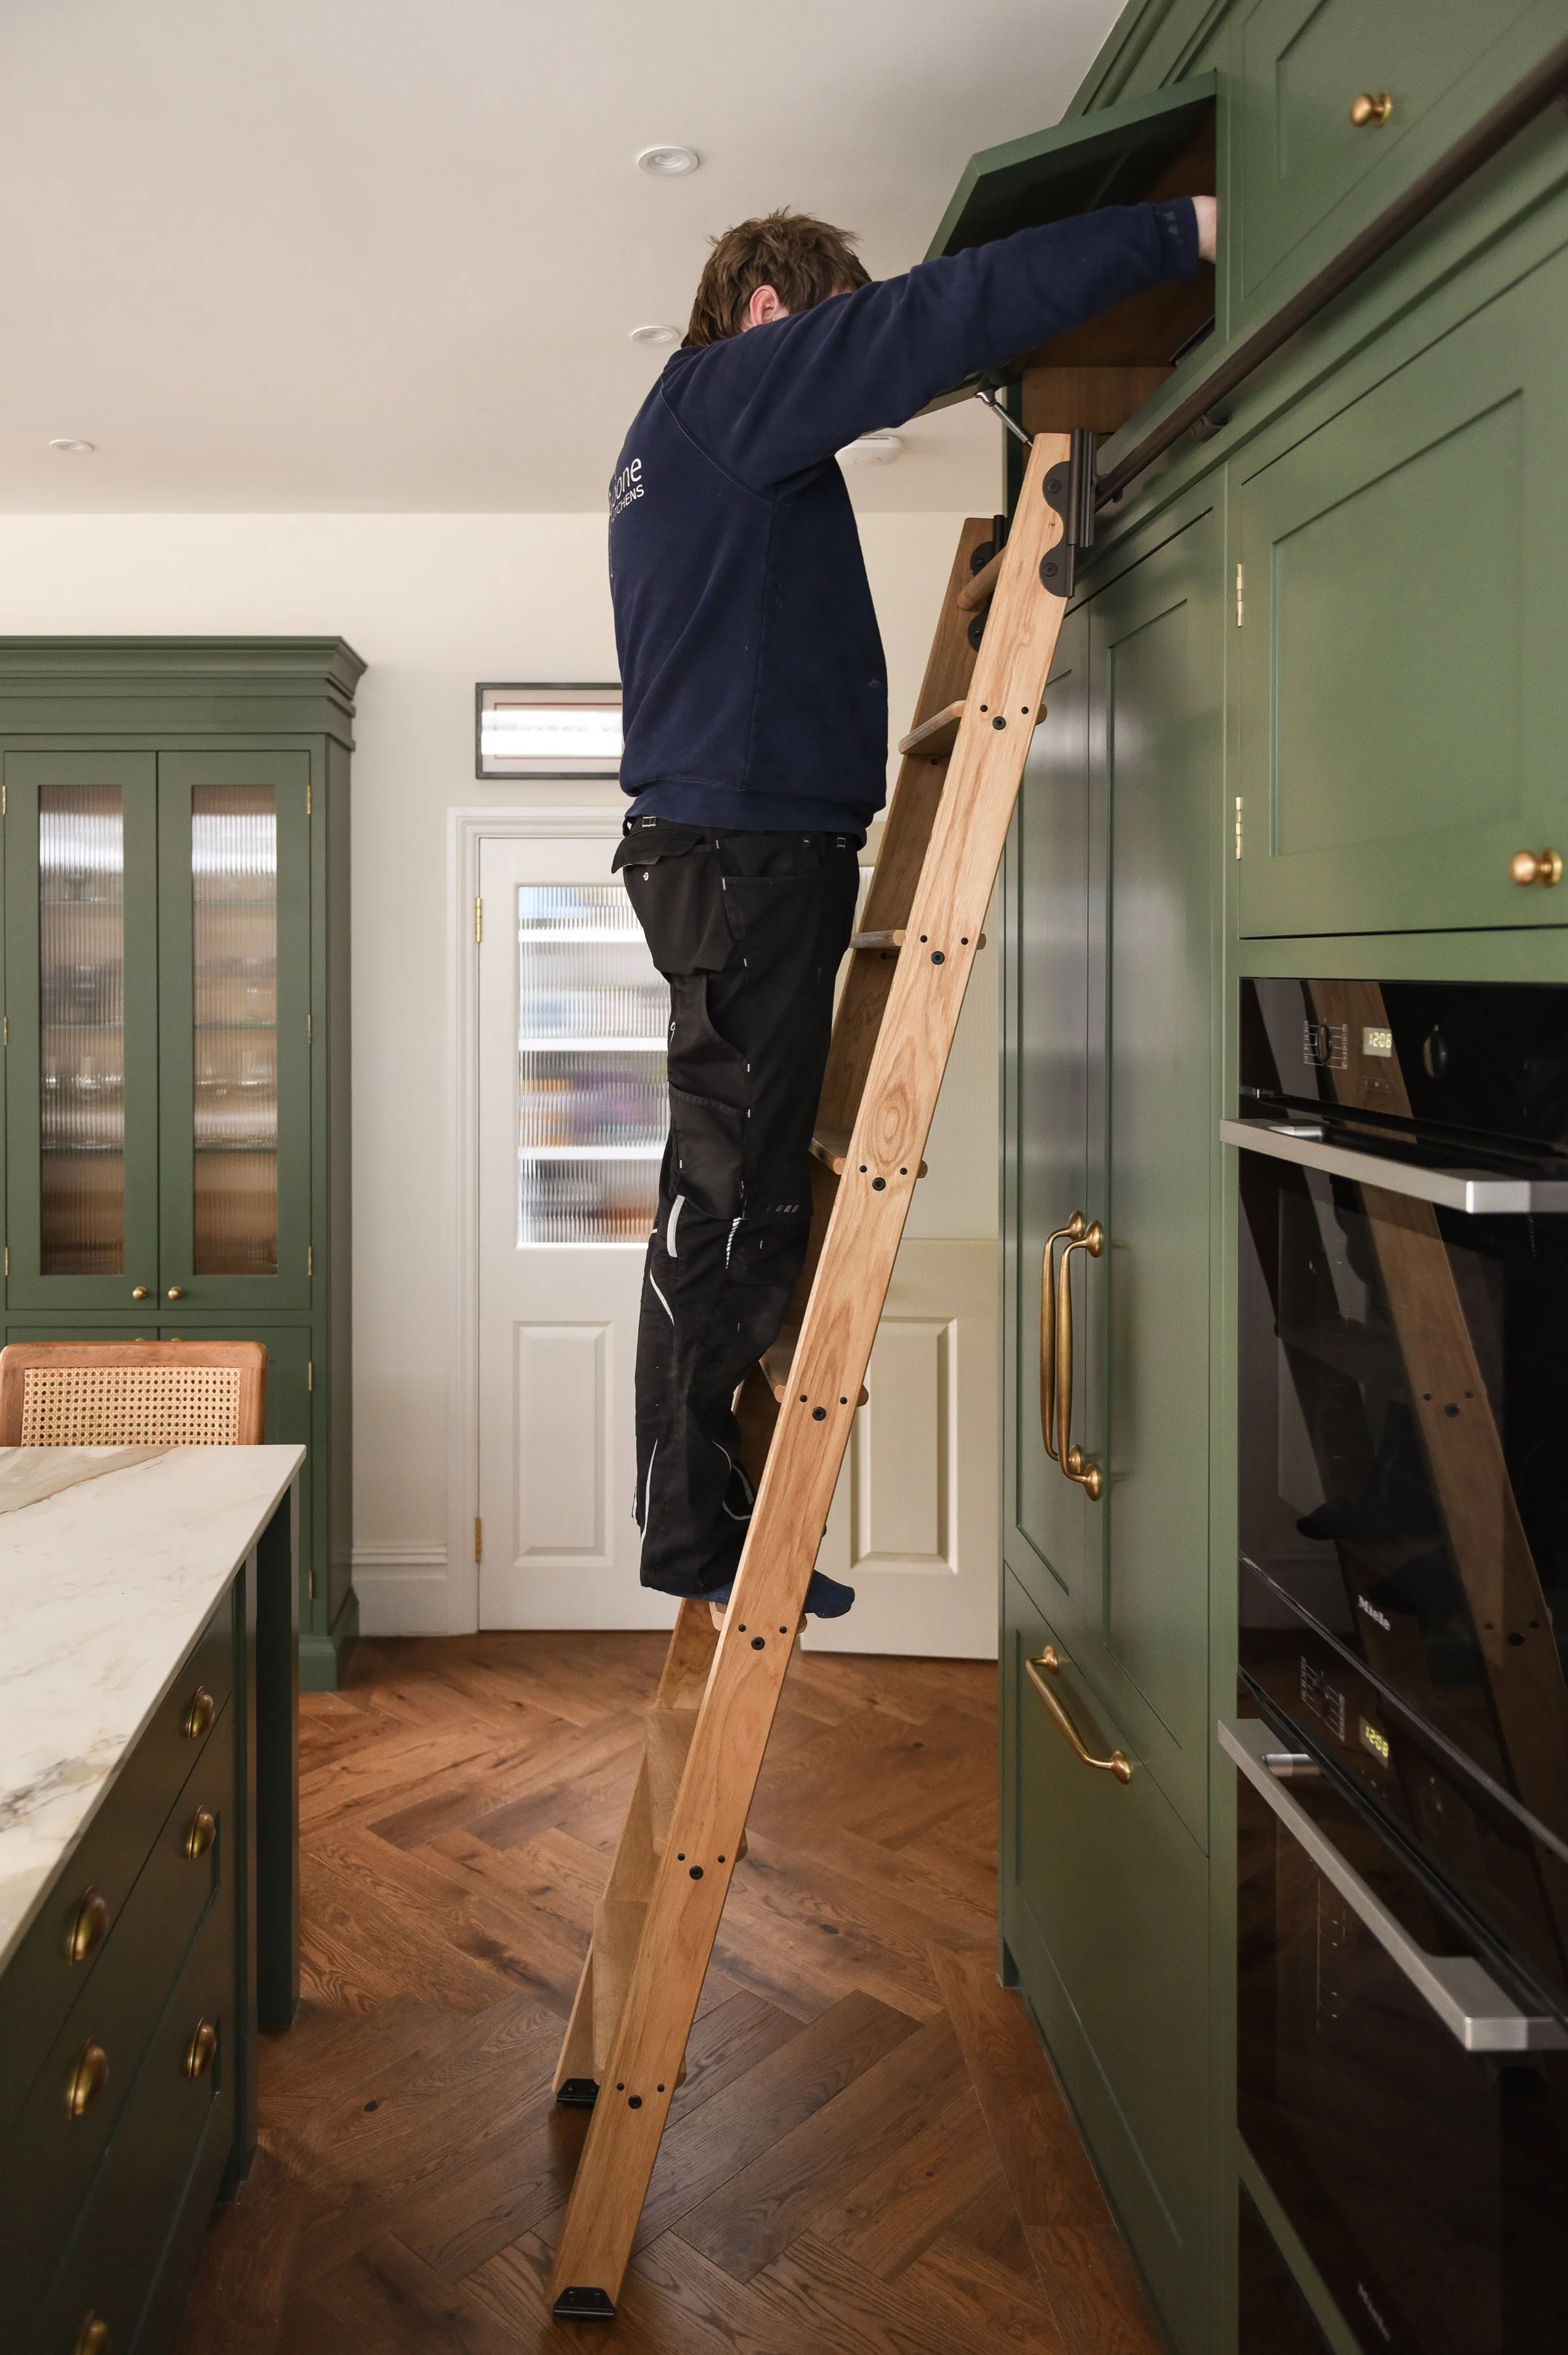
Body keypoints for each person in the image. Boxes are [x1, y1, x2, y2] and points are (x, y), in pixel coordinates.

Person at [609, 191, 1218, 1619]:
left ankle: (688, 1514)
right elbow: (930, 319)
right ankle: (695, 1531)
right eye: (825, 329)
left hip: (738, 849)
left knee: (718, 1189)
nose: (835, 367)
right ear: (769, 312)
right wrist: (1172, 233)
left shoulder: (686, 433)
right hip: (745, 852)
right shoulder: (728, 390)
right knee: (731, 1199)